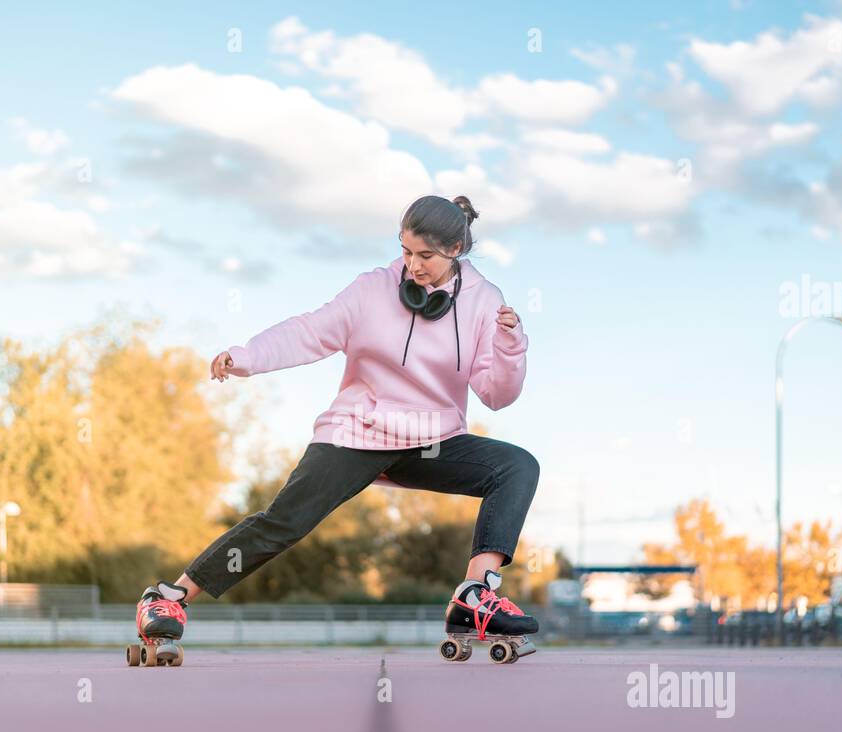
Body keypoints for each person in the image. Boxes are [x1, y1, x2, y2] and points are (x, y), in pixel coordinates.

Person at [136, 195, 540, 660]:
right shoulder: (373, 289)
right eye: (406, 252)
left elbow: (497, 395)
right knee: (283, 523)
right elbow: (311, 331)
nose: (413, 266)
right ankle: (169, 597)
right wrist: (247, 357)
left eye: (425, 256)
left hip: (432, 439)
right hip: (357, 432)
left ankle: (475, 596)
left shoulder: (485, 302)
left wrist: (510, 345)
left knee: (516, 467)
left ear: (454, 249)